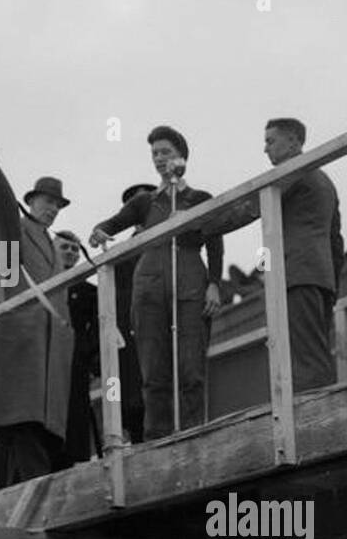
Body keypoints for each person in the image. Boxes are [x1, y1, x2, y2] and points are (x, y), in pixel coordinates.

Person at [89, 128, 223, 439]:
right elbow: (113, 222)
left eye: (165, 151)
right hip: (148, 283)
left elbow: (215, 242)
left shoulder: (200, 199)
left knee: (191, 368)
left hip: (190, 275)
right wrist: (99, 230)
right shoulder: (144, 202)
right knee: (153, 371)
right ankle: (157, 439)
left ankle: (194, 435)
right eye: (155, 154)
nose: (160, 159)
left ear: (181, 155)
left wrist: (214, 283)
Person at [222, 119, 344, 391]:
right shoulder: (324, 180)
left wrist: (199, 223)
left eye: (270, 141)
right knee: (315, 352)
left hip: (296, 275)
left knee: (302, 359)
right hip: (319, 278)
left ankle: (310, 417)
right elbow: (336, 242)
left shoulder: (293, 171)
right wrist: (332, 284)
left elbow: (247, 209)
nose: (265, 149)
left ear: (293, 142)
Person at [0, 177, 75, 487]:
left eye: (57, 205)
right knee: (20, 421)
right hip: (18, 338)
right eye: (48, 201)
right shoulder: (13, 228)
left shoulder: (52, 245)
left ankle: (20, 492)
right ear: (31, 200)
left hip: (49, 347)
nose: (53, 209)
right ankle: (37, 493)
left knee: (33, 428)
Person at [52, 230, 100, 468]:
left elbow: (98, 326)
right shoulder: (44, 286)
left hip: (76, 359)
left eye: (74, 249)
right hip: (47, 357)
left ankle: (71, 461)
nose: (70, 252)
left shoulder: (90, 291)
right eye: (64, 247)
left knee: (76, 411)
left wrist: (88, 356)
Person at [113, 183, 155, 443]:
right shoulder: (119, 257)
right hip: (133, 338)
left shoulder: (172, 239)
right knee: (136, 403)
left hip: (167, 331)